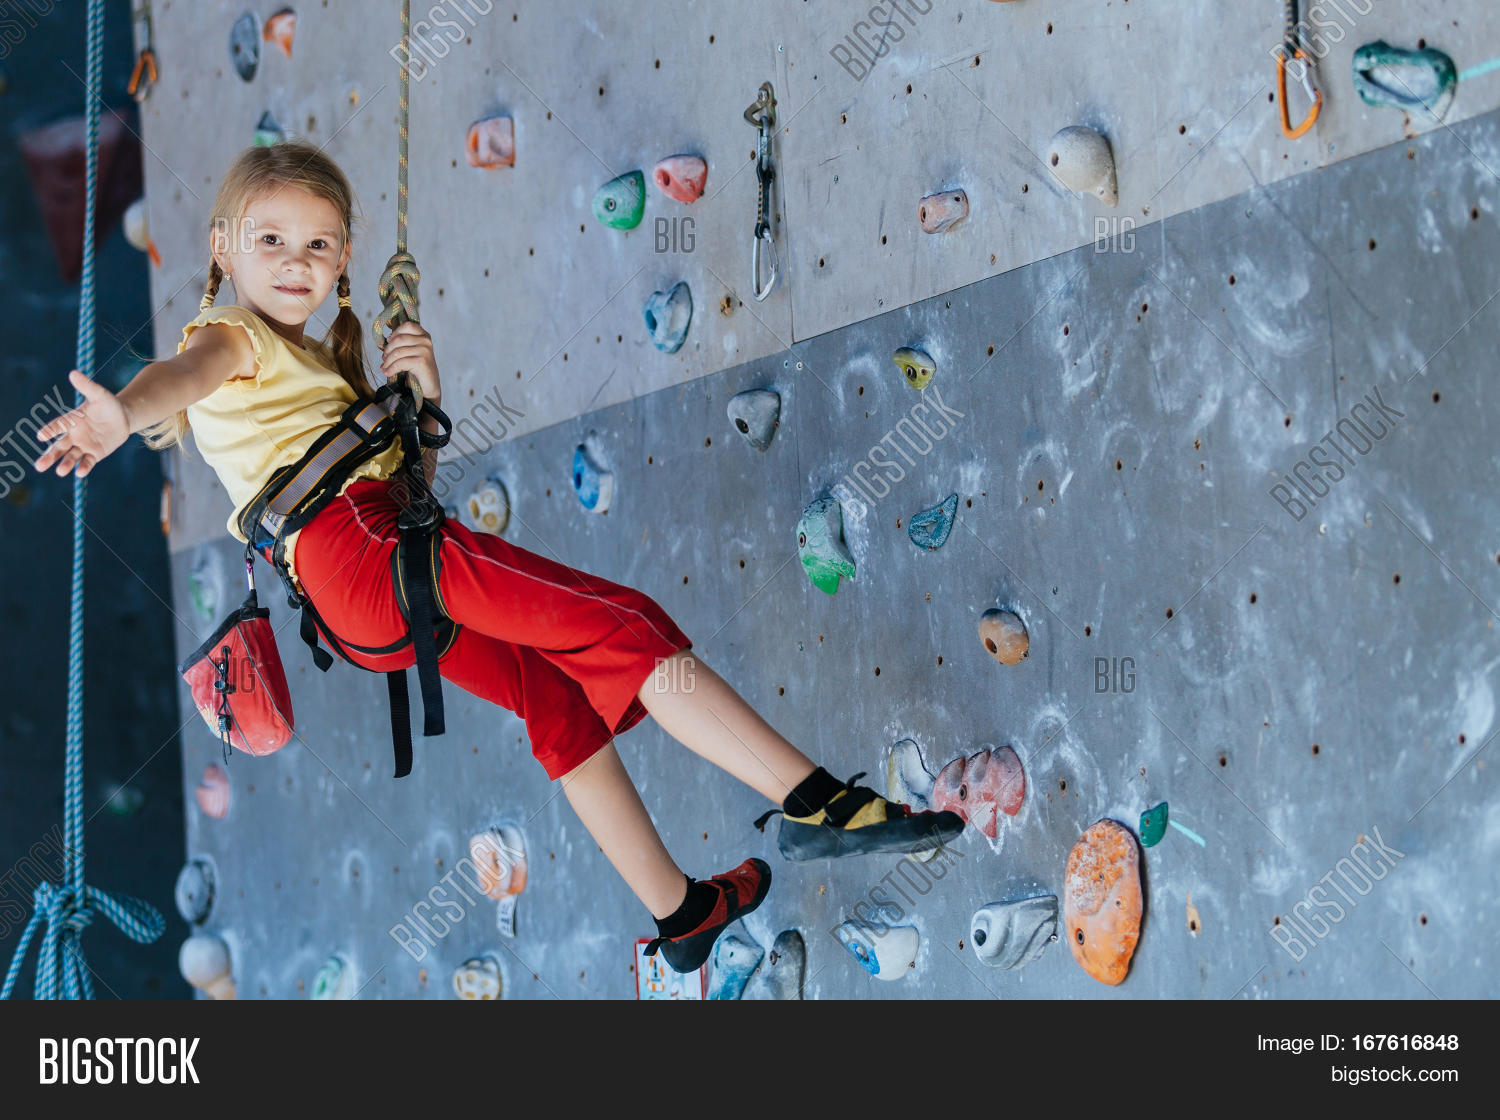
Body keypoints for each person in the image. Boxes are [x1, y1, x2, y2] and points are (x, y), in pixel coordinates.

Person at [31, 141, 963, 974]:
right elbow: (178, 378)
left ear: (344, 261)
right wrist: (123, 410)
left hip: (363, 599)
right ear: (223, 247)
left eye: (317, 246)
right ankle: (816, 802)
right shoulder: (229, 342)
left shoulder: (323, 370)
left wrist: (425, 402)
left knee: (549, 694)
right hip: (362, 557)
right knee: (624, 625)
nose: (294, 264)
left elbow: (414, 490)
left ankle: (680, 915)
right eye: (269, 242)